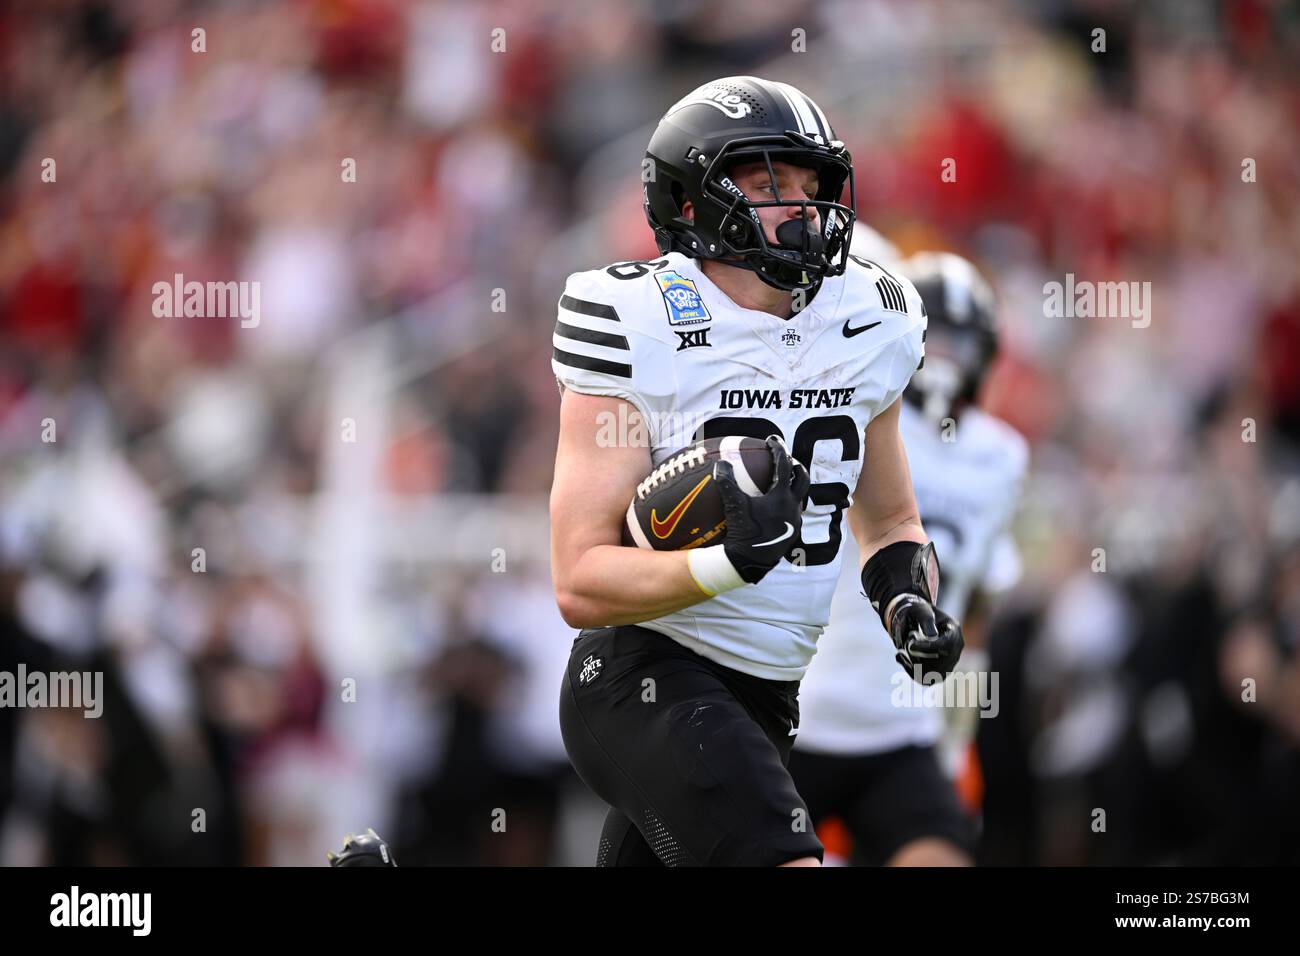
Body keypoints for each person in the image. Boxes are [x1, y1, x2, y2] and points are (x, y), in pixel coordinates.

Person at [550, 76, 962, 867]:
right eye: (770, 180)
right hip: (646, 673)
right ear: (692, 196)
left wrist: (907, 600)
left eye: (811, 183)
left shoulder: (871, 318)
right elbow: (580, 580)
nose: (801, 205)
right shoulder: (634, 319)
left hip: (770, 693)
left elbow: (888, 522)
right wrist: (725, 563)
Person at [791, 248, 1029, 866]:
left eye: (961, 342)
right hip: (800, 720)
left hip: (901, 731)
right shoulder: (861, 418)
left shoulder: (1001, 456)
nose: (946, 360)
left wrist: (958, 728)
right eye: (935, 340)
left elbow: (975, 603)